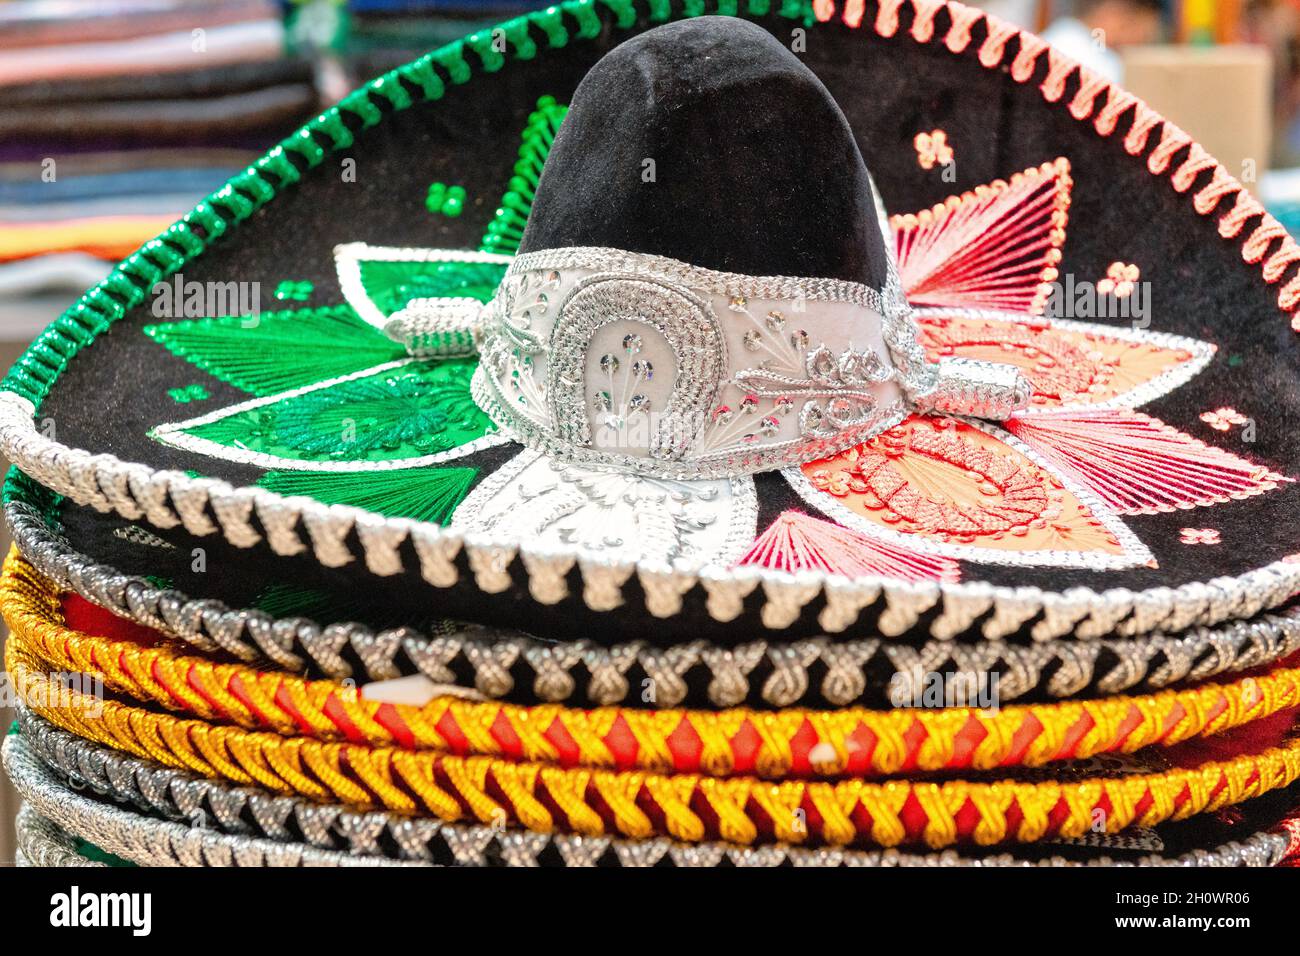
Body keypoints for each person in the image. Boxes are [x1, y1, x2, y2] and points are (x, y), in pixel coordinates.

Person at [1042, 0, 1165, 83]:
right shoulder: (1098, 61)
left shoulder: (1059, 33)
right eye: (1142, 36)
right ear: (1115, 14)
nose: (1138, 45)